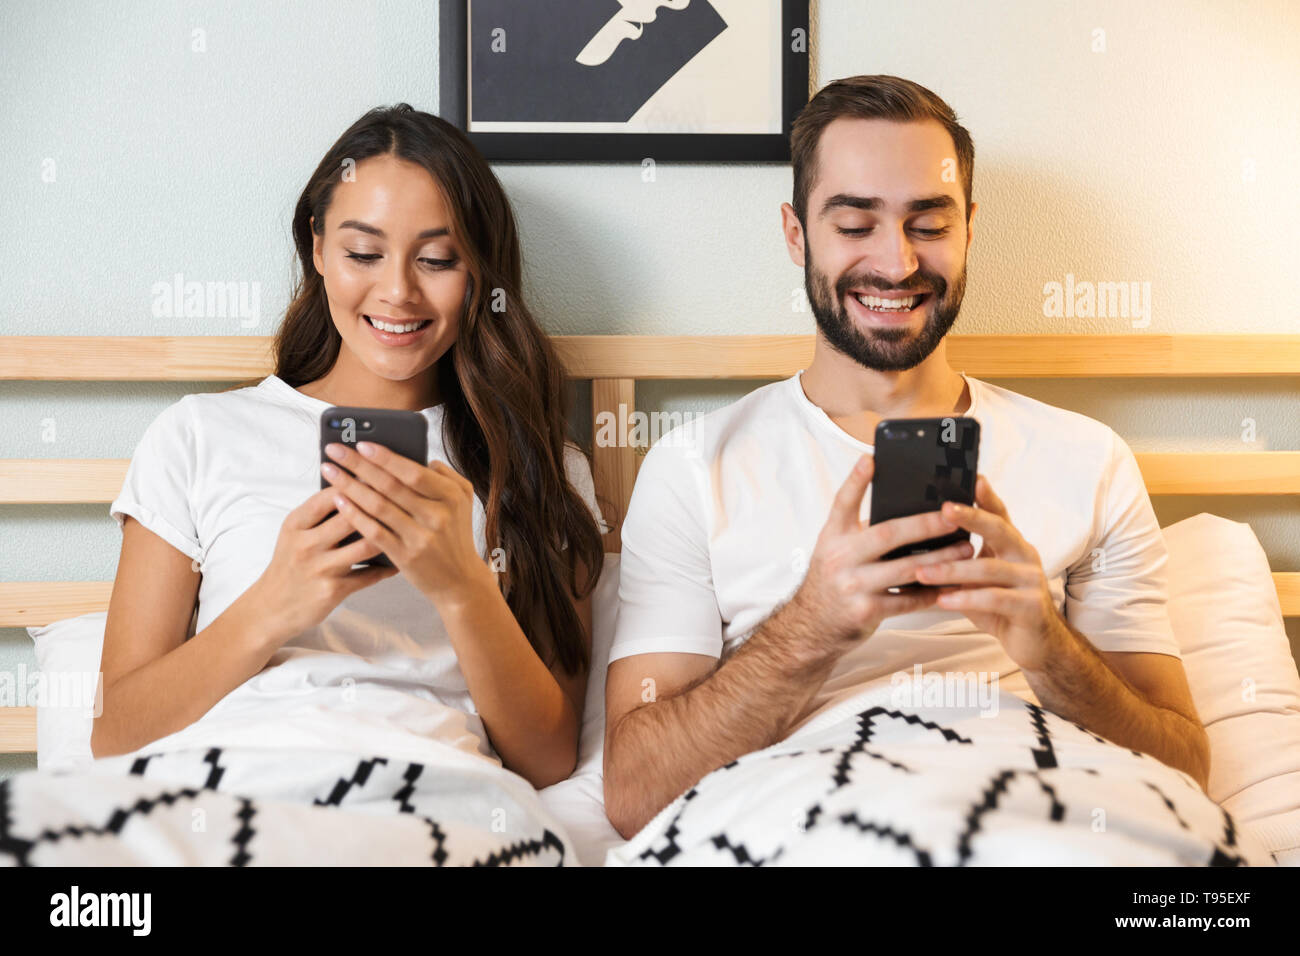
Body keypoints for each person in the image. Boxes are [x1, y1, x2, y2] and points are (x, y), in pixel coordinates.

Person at [602, 75, 1210, 841]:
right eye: (855, 224)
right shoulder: (695, 466)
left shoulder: (1089, 459)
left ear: (969, 229)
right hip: (809, 823)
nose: (896, 264)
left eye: (928, 224)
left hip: (1035, 820)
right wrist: (814, 627)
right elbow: (631, 793)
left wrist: (1046, 643)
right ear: (796, 234)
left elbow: (1184, 767)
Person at [91, 103, 606, 792]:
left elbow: (548, 759)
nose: (397, 291)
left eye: (437, 259)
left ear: (480, 271)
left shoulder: (539, 464)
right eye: (363, 253)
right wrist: (277, 601)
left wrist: (461, 586)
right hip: (239, 797)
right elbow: (116, 731)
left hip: (435, 800)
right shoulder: (198, 437)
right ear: (317, 247)